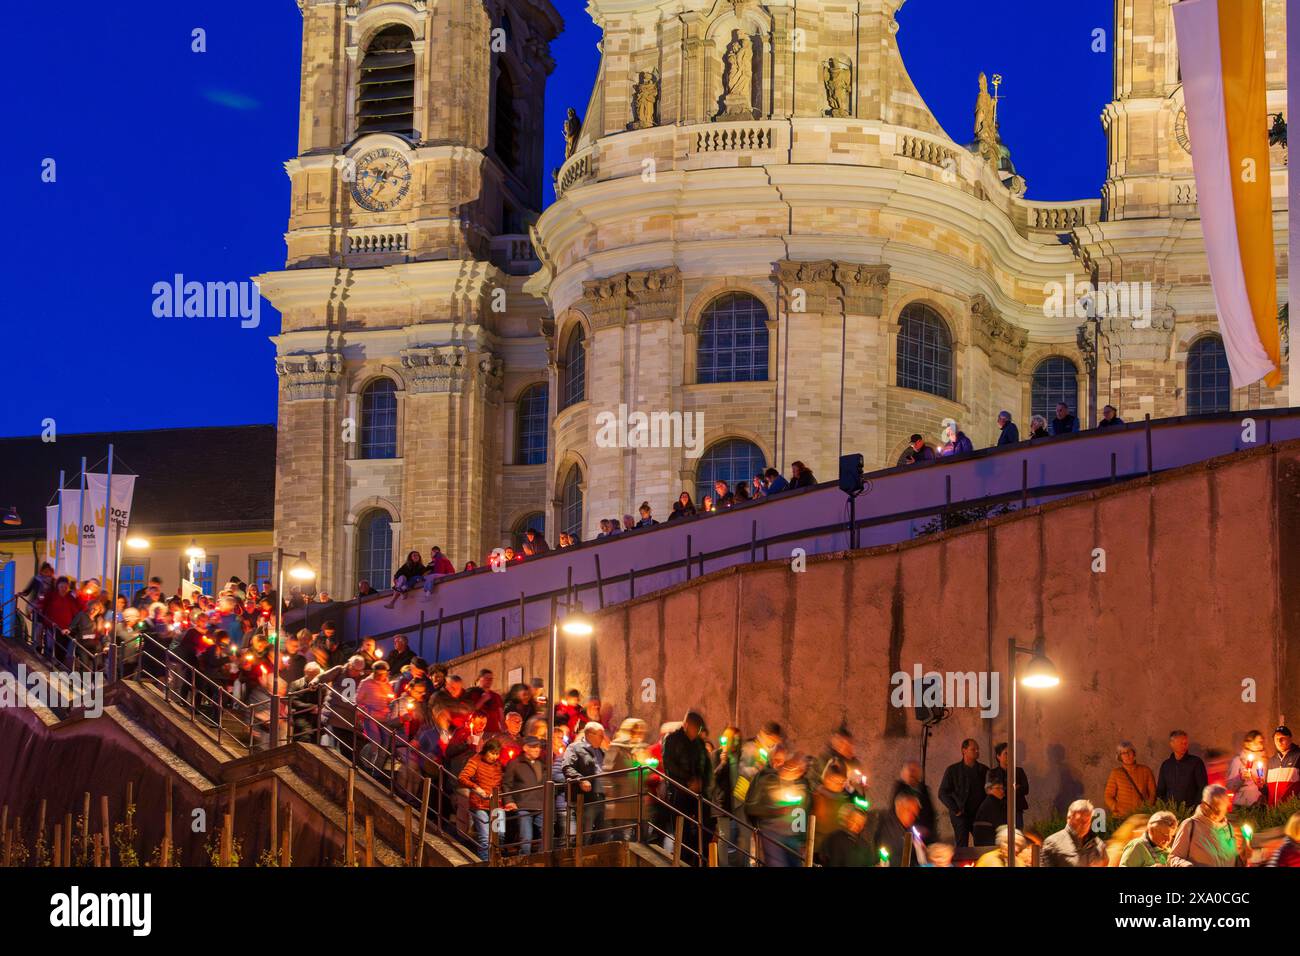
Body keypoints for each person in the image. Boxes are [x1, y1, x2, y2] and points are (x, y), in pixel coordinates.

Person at [661, 712, 712, 864]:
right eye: (695, 728)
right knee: (681, 831)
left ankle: (700, 860)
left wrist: (702, 782)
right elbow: (669, 765)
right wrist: (688, 781)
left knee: (703, 828)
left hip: (698, 793)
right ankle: (683, 860)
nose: (696, 732)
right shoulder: (672, 740)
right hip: (679, 791)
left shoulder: (699, 744)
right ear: (687, 725)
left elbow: (707, 766)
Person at [745, 751, 810, 867]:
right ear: (786, 764)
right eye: (792, 767)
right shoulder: (767, 780)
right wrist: (775, 811)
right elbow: (751, 808)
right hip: (772, 835)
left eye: (800, 770)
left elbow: (802, 813)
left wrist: (802, 840)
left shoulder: (802, 785)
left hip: (792, 837)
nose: (795, 772)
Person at [1169, 784, 1246, 867]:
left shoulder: (1229, 828)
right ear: (1204, 805)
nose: (1217, 814)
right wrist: (1185, 865)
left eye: (1221, 810)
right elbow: (1173, 858)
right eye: (1214, 809)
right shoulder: (1190, 825)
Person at [603, 718, 649, 843]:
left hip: (637, 796)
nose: (638, 734)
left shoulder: (639, 748)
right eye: (635, 730)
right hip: (621, 798)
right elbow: (607, 770)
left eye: (641, 731)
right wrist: (611, 793)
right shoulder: (617, 746)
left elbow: (643, 771)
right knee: (621, 836)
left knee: (643, 832)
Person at [459, 739, 506, 861]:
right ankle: (485, 863)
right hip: (479, 805)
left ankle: (496, 860)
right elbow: (463, 777)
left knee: (500, 834)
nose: (494, 756)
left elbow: (501, 783)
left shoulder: (498, 764)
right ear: (486, 751)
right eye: (492, 753)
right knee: (485, 838)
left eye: (496, 754)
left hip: (497, 804)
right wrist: (477, 788)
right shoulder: (475, 761)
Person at [501, 735, 549, 855]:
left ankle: (540, 861)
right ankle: (524, 861)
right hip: (523, 806)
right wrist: (509, 801)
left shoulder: (542, 764)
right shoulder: (515, 763)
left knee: (547, 836)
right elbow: (506, 784)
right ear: (525, 748)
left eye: (538, 747)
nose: (537, 749)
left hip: (540, 805)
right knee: (526, 839)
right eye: (533, 747)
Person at [560, 722, 607, 841]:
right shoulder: (574, 747)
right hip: (586, 798)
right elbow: (567, 767)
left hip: (602, 797)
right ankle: (579, 858)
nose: (603, 738)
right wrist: (581, 780)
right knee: (585, 833)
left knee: (603, 833)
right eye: (600, 735)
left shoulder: (602, 751)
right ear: (590, 734)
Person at [938, 738, 988, 846]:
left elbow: (989, 792)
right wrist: (956, 810)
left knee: (982, 844)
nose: (977, 751)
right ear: (964, 750)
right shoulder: (953, 770)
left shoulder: (984, 770)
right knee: (962, 846)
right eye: (973, 749)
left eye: (978, 749)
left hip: (978, 815)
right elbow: (942, 793)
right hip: (961, 815)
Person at [1041, 799, 1108, 867]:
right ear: (1069, 818)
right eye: (1080, 820)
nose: (1084, 824)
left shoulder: (1099, 845)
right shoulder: (1053, 843)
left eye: (1087, 820)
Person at [1105, 740, 1157, 819]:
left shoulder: (1146, 771)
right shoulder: (1116, 773)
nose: (1127, 755)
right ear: (1120, 757)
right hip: (1122, 818)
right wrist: (1116, 807)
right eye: (1123, 753)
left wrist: (1147, 808)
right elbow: (1108, 795)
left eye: (1129, 752)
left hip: (1141, 816)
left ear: (1134, 753)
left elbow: (1153, 793)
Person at [1156, 730, 1208, 809]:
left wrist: (1195, 808)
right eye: (1181, 743)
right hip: (1170, 811)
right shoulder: (1166, 765)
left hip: (1190, 811)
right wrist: (1164, 806)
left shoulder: (1196, 762)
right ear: (1172, 744)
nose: (1184, 746)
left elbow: (1203, 787)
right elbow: (1161, 790)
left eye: (1186, 743)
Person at [871, 792, 926, 866]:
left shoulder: (908, 828)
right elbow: (893, 858)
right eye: (910, 811)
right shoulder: (887, 828)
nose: (913, 817)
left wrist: (921, 850)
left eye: (915, 815)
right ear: (900, 807)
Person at [987, 742, 1029, 829]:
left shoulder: (1019, 771)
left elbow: (1025, 789)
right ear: (998, 756)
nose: (1009, 756)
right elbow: (992, 792)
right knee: (1001, 837)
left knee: (1017, 836)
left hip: (1016, 810)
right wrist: (1013, 788)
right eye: (1006, 753)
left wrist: (1002, 789)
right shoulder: (992, 773)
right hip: (999, 810)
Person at [891, 761, 937, 841]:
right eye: (910, 771)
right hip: (904, 835)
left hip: (923, 836)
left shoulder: (924, 790)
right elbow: (894, 813)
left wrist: (928, 829)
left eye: (915, 771)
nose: (913, 774)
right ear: (904, 774)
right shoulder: (899, 789)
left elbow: (930, 813)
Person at [1225, 730, 1268, 809]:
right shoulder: (1238, 761)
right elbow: (1229, 786)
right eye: (1256, 743)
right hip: (1242, 806)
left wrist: (1262, 784)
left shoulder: (1263, 761)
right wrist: (1240, 778)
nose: (1259, 745)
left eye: (1261, 742)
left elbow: (1265, 784)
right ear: (1247, 743)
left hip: (1259, 805)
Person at [1267, 725, 1300, 806]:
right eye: (1276, 739)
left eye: (1282, 738)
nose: (1279, 741)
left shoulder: (1298, 757)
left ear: (1290, 739)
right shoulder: (1271, 761)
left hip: (1291, 811)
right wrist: (1260, 786)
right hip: (1273, 813)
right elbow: (1268, 791)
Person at [972, 778, 1006, 847]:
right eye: (998, 788)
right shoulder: (991, 802)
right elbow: (999, 822)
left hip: (985, 838)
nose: (1001, 791)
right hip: (987, 839)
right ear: (989, 790)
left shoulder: (994, 801)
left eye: (1002, 788)